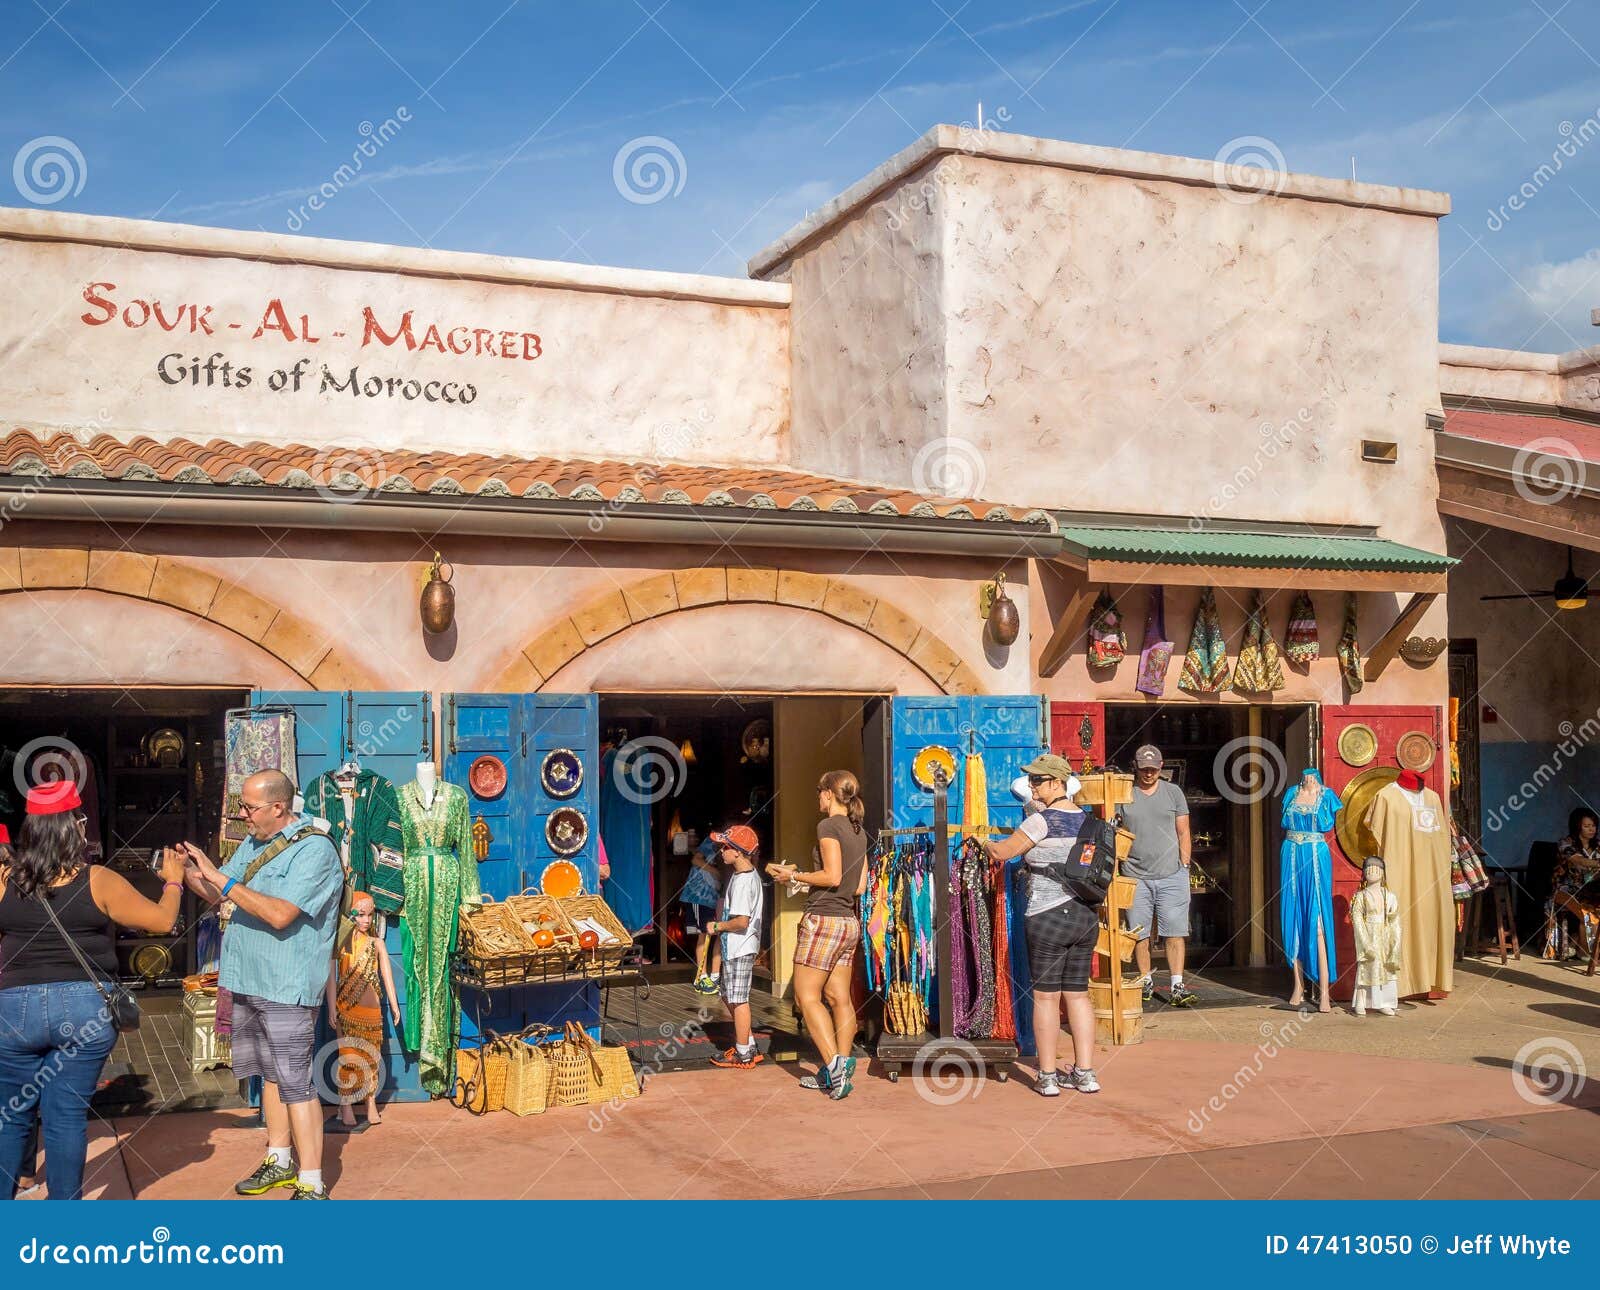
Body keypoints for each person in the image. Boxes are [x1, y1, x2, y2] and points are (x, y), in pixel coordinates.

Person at [0, 780, 185, 1200]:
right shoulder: (98, 880)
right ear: (73, 827)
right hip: (84, 1008)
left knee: (11, 1118)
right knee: (65, 1118)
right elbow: (160, 923)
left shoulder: (5, 878)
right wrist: (173, 881)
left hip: (14, 1010)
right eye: (81, 819)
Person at [180, 770, 343, 1200]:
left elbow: (280, 914)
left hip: (286, 982)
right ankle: (279, 1158)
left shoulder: (315, 851)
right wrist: (190, 872)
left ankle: (312, 1183)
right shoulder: (255, 843)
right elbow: (218, 894)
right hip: (249, 977)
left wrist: (222, 879)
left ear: (278, 807)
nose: (241, 814)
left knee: (295, 1081)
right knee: (269, 1078)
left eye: (249, 807)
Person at [987, 754, 1101, 1095]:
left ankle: (1048, 1076)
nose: (1032, 786)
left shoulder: (1041, 821)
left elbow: (1003, 852)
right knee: (1078, 996)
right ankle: (1085, 1073)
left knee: (1046, 998)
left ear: (1057, 783)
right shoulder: (1088, 822)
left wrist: (984, 842)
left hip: (1048, 916)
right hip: (1086, 916)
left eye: (1038, 780)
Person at [768, 769, 870, 1101]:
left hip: (823, 920)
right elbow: (858, 886)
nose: (817, 797)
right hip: (847, 921)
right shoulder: (859, 831)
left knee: (806, 997)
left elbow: (832, 875)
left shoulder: (828, 826)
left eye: (818, 791)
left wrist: (794, 875)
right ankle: (839, 1066)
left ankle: (834, 1068)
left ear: (828, 793)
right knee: (840, 998)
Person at [1122, 744, 1195, 1007]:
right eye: (1144, 769)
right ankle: (1145, 981)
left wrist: (1184, 866)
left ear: (1161, 767)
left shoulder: (1173, 792)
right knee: (1139, 933)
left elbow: (1184, 831)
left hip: (1171, 873)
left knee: (1174, 932)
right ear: (1136, 767)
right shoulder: (1126, 793)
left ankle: (1177, 985)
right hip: (1135, 874)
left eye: (1153, 769)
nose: (1148, 773)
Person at [324, 891, 401, 1132]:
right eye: (360, 915)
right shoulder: (341, 944)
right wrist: (331, 1006)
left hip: (373, 1013)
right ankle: (346, 1105)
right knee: (348, 1057)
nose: (366, 921)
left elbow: (387, 976)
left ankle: (369, 1102)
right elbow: (331, 977)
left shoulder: (377, 943)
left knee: (370, 1058)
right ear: (350, 915)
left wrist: (395, 1005)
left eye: (370, 915)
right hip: (346, 1009)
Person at [705, 826, 765, 1069]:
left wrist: (718, 926)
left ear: (738, 852)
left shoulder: (742, 882)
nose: (721, 851)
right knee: (729, 995)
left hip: (740, 946)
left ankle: (743, 1053)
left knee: (738, 1000)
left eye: (725, 847)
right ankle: (747, 1043)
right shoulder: (743, 877)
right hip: (736, 947)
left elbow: (741, 921)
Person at [1544, 807, 1600, 961]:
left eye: (1593, 826)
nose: (1591, 829)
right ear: (1577, 826)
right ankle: (1585, 952)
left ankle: (1583, 946)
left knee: (1593, 907)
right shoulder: (1566, 843)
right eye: (1586, 826)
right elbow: (1578, 860)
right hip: (1565, 890)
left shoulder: (1598, 846)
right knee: (1587, 913)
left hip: (1590, 890)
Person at [1350, 858, 1401, 1016]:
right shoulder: (1361, 897)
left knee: (1386, 969)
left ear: (1383, 872)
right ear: (1364, 873)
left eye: (1377, 868)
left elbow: (1395, 920)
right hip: (1369, 933)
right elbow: (1357, 919)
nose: (1373, 871)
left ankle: (1384, 1002)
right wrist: (1365, 941)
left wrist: (1395, 941)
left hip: (1385, 935)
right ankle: (1360, 1001)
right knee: (1366, 968)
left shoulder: (1390, 896)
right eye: (1369, 868)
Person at [681, 836, 724, 995]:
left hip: (716, 896)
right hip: (700, 895)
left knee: (719, 933)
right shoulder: (711, 842)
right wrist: (716, 872)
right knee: (703, 934)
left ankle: (714, 975)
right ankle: (701, 976)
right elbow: (696, 860)